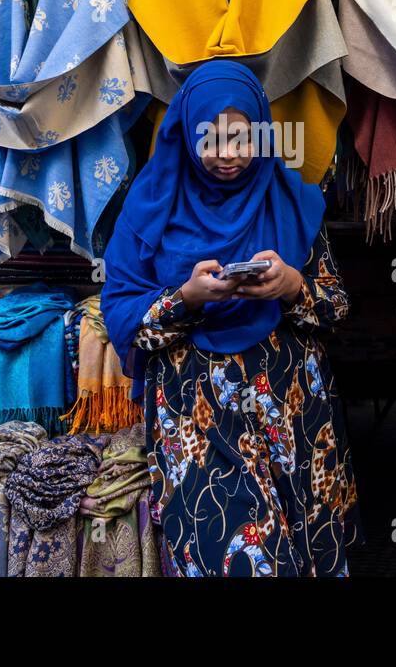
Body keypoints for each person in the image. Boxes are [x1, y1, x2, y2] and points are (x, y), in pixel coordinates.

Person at [102, 61, 360, 576]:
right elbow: (121, 317)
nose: (229, 155)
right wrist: (187, 298)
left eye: (242, 138)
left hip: (294, 415)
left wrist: (292, 286)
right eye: (212, 138)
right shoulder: (151, 205)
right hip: (197, 417)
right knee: (236, 557)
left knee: (310, 551)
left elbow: (336, 306)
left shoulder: (292, 199)